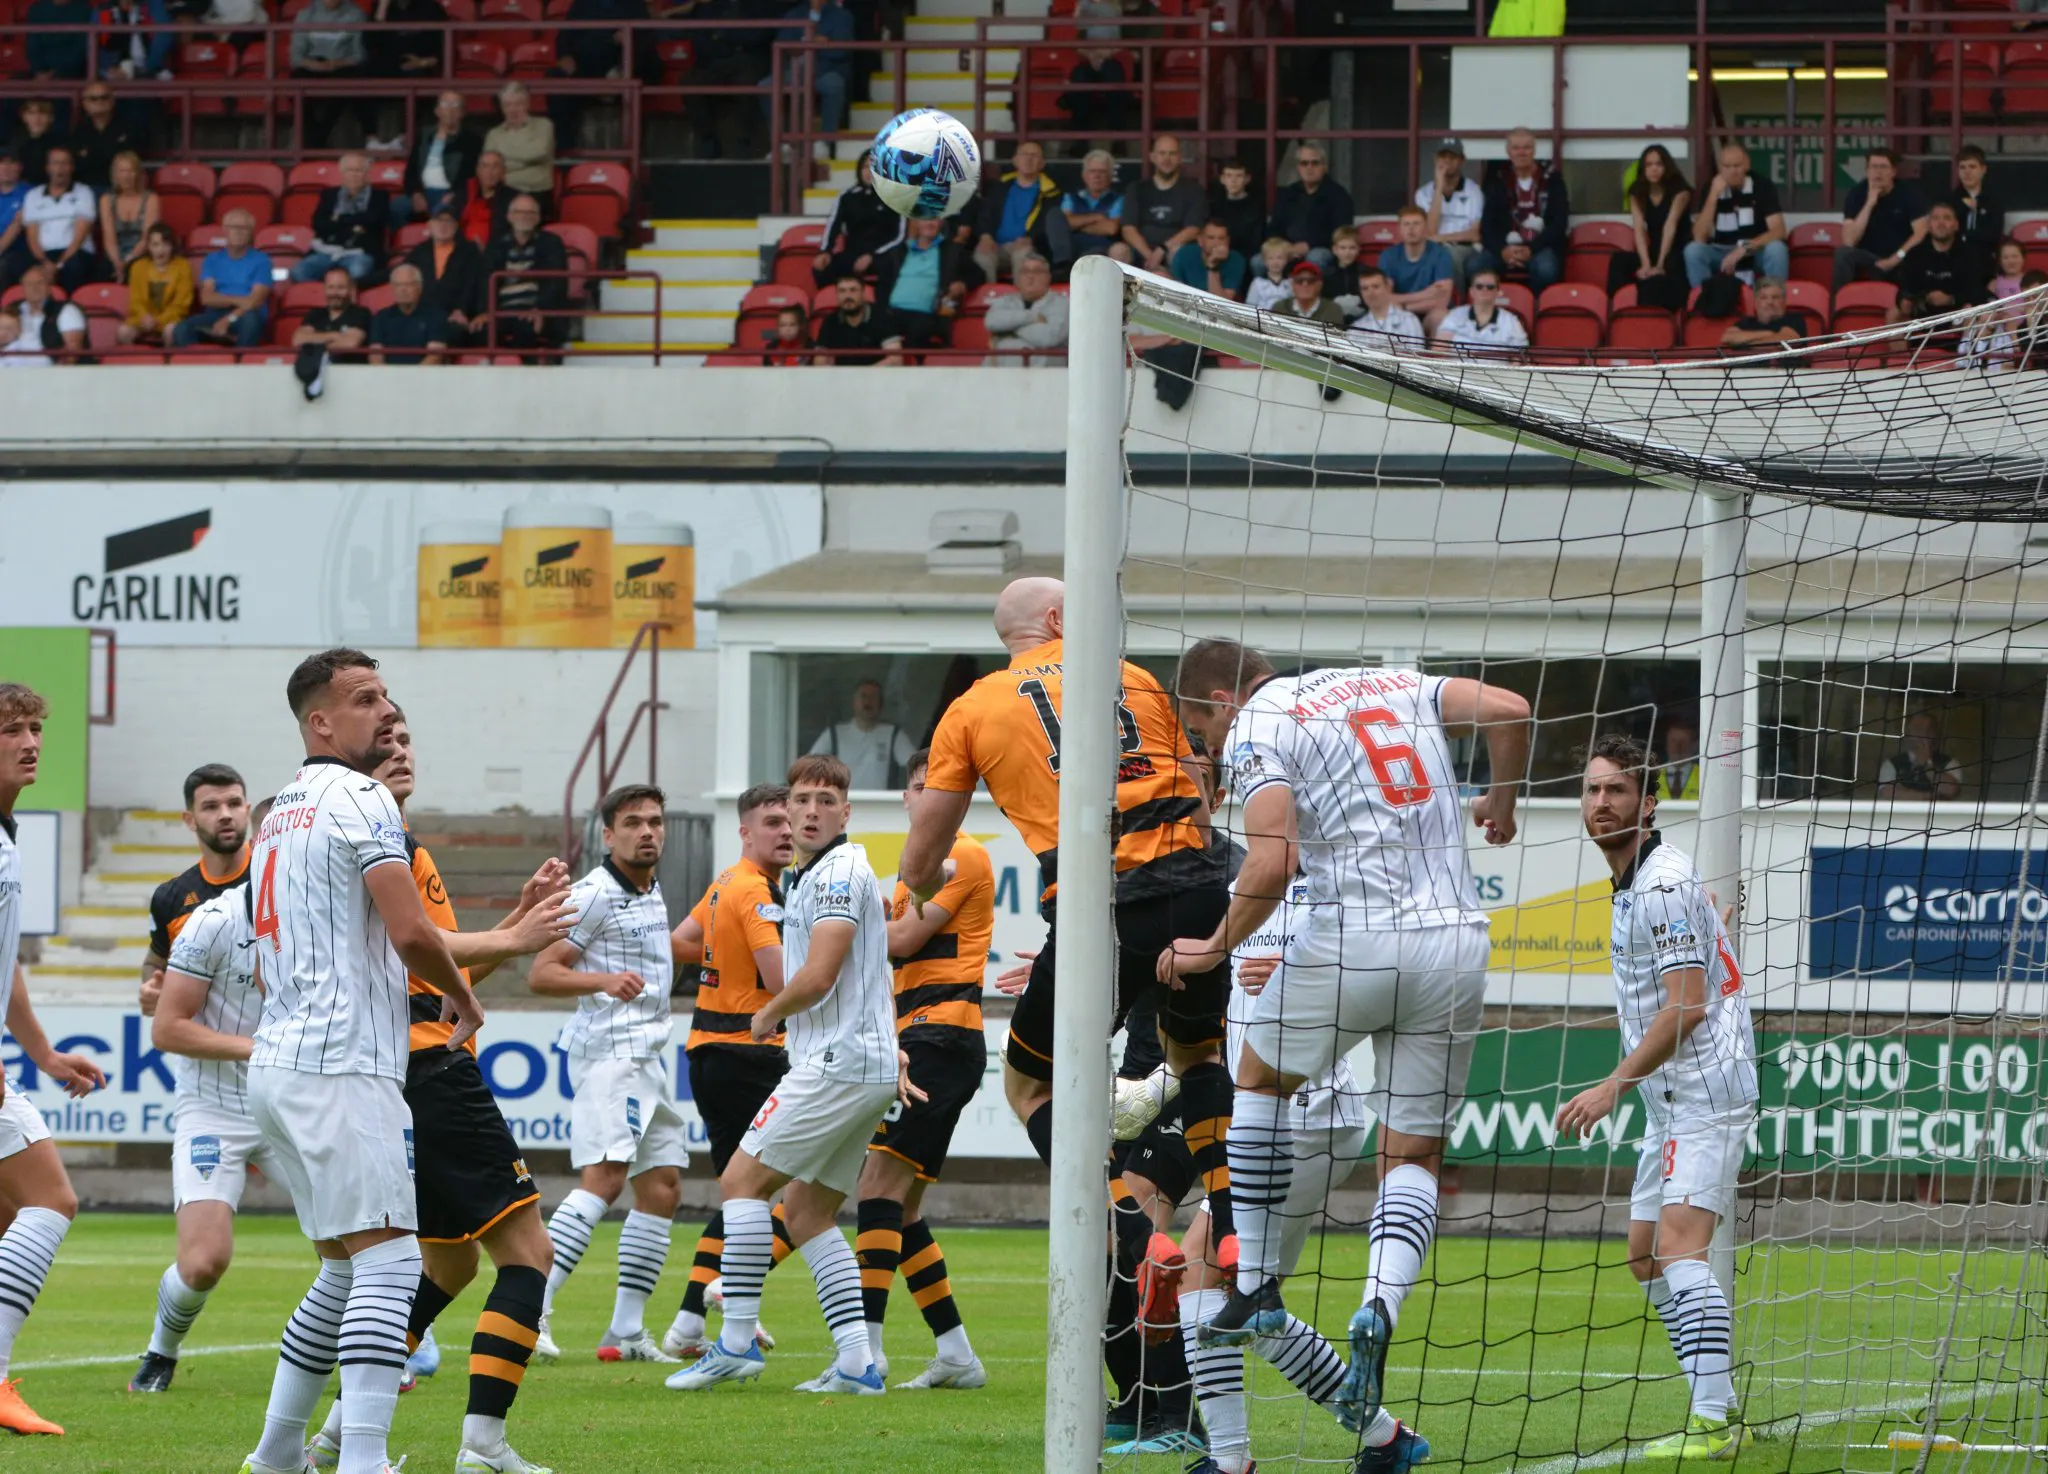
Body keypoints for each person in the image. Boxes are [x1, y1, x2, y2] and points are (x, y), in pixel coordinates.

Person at [1159, 640, 1528, 1451]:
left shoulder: (1262, 723)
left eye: (1201, 730)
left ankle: (1256, 1288)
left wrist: (1213, 948)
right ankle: (1380, 1309)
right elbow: (1512, 710)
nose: (1210, 751)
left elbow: (1275, 859)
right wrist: (1500, 804)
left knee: (1257, 1082)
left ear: (1220, 700)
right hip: (1456, 941)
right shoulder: (1390, 683)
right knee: (1413, 1156)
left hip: (1356, 936)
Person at [898, 578, 1239, 1258]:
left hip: (1101, 909)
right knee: (1197, 1054)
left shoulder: (972, 708)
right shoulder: (1132, 675)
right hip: (1197, 886)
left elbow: (923, 855)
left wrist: (924, 880)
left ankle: (1134, 1230)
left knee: (1030, 1084)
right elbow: (1199, 797)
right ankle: (1229, 1227)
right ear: (1057, 619)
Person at [301, 713, 574, 1474]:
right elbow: (425, 959)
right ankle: (483, 1443)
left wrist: (516, 921)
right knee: (529, 1255)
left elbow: (441, 971)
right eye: (381, 740)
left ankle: (332, 1436)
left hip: (383, 1075)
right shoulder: (387, 848)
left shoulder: (365, 848)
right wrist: (517, 936)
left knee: (446, 1267)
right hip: (431, 1072)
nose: (398, 751)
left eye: (404, 739)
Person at [235, 648, 483, 1474]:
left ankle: (277, 1453)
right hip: (342, 1061)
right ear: (320, 721)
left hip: (280, 1061)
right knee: (391, 1262)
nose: (387, 710)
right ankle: (364, 1459)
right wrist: (465, 995)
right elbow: (412, 931)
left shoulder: (278, 813)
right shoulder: (363, 796)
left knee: (344, 1270)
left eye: (385, 696)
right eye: (365, 699)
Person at [1162, 872, 1427, 1474]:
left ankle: (1230, 1460)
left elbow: (1383, 978)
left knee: (1204, 1269)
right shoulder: (1238, 889)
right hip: (1264, 1120)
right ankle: (1387, 1439)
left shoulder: (1339, 883)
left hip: (1310, 1114)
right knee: (1245, 1303)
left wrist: (1297, 975)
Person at [665, 755, 914, 1397]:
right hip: (859, 1062)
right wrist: (890, 1047)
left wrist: (767, 1012)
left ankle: (735, 1343)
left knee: (740, 1181)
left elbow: (821, 973)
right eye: (800, 800)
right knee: (805, 1210)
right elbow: (868, 972)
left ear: (845, 812)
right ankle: (857, 1364)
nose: (809, 811)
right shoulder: (812, 875)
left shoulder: (835, 873)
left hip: (836, 1061)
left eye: (825, 801)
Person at [1559, 733, 1757, 1463]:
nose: (1600, 802)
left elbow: (1688, 1006)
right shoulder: (1641, 882)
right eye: (1592, 789)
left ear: (1649, 803)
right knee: (1645, 1257)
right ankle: (1719, 1400)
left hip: (1706, 1089)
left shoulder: (1662, 884)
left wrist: (1613, 1084)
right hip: (1672, 1098)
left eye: (1616, 789)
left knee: (1678, 1249)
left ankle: (1711, 1420)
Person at [528, 785, 690, 1364]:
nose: (647, 832)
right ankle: (529, 1312)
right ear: (607, 834)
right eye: (633, 823)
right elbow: (542, 972)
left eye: (655, 821)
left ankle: (625, 1330)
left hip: (647, 1056)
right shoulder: (593, 893)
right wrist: (602, 980)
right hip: (610, 1056)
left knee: (663, 1187)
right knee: (604, 1178)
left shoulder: (650, 888)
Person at [851, 748, 990, 1391]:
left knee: (876, 1187)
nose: (924, 797)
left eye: (937, 787)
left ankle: (864, 1354)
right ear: (906, 798)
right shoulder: (915, 873)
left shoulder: (964, 855)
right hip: (922, 1037)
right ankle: (957, 1355)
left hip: (940, 1036)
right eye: (916, 787)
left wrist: (840, 922)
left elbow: (901, 941)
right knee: (899, 1206)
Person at [131, 795, 274, 1395]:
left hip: (296, 1104)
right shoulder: (211, 918)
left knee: (358, 1240)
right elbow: (167, 1028)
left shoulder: (334, 919)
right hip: (215, 1104)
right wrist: (258, 1050)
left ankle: (387, 1347)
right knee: (202, 1263)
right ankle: (162, 1350)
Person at [0, 682, 108, 1436]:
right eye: (12, 729)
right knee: (51, 1200)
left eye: (35, 727)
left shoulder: (9, 837)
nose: (31, 742)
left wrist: (40, 1051)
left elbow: (3, 961)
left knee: (10, 1213)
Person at [659, 784, 797, 1360]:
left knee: (742, 1192)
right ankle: (729, 1295)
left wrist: (727, 953)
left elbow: (680, 943)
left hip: (710, 1053)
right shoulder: (757, 893)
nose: (786, 830)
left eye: (789, 821)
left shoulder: (725, 883)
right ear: (745, 832)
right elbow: (782, 982)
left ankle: (689, 1324)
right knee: (805, 1189)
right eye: (772, 822)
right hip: (749, 1055)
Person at [138, 763, 252, 998]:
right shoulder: (170, 897)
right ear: (190, 820)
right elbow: (155, 963)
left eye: (234, 804)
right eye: (211, 807)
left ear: (247, 810)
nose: (226, 815)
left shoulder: (278, 876)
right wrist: (153, 988)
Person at [1476, 126, 1568, 293]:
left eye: (1527, 147)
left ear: (1534, 150)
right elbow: (1488, 226)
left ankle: (1536, 306)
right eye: (1516, 148)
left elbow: (1559, 223)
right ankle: (1491, 305)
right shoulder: (1497, 180)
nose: (1521, 153)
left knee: (1546, 269)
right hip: (1504, 246)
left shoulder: (1553, 179)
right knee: (1475, 265)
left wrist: (1531, 249)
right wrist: (1503, 251)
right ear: (1508, 151)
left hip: (1540, 247)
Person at [1683, 142, 1786, 293]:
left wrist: (1743, 249)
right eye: (1727, 166)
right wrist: (1713, 195)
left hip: (1753, 250)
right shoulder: (1711, 187)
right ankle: (1703, 300)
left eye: (1737, 166)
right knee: (1693, 251)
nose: (1732, 171)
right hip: (1721, 251)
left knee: (1777, 249)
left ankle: (1774, 300)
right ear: (1720, 167)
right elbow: (1699, 237)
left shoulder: (1762, 185)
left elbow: (1779, 231)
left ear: (1747, 165)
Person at [549, 0, 650, 151]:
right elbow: (564, 36)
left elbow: (646, 42)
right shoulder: (582, 4)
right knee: (555, 78)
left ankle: (634, 154)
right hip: (585, 66)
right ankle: (564, 150)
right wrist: (565, 56)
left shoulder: (635, 5)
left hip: (621, 68)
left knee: (638, 79)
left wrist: (622, 69)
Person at [171, 209, 272, 348]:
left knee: (251, 321)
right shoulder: (212, 259)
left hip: (245, 315)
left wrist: (228, 319)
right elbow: (206, 298)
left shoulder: (262, 260)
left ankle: (240, 361)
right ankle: (196, 361)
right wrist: (238, 300)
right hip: (216, 314)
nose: (238, 232)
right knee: (181, 328)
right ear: (225, 230)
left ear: (251, 232)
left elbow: (255, 301)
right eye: (233, 227)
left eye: (244, 228)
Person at [1834, 148, 1929, 290]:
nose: (1878, 172)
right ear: (1867, 171)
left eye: (1883, 167)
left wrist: (1894, 259)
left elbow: (1920, 233)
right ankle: (1840, 301)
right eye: (1874, 167)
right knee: (1843, 254)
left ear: (1893, 171)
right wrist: (1870, 203)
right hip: (1869, 256)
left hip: (1901, 255)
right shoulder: (1856, 193)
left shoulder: (1909, 192)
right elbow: (1849, 241)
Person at [973, 139, 1067, 282]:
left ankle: (1022, 296)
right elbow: (985, 215)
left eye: (1034, 155)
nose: (1028, 159)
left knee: (1023, 255)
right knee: (982, 255)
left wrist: (1031, 239)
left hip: (1029, 246)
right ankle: (988, 296)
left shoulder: (1051, 193)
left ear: (1042, 163)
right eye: (1024, 154)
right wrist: (985, 236)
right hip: (996, 245)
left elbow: (1050, 225)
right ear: (1015, 161)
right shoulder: (1000, 187)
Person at [485, 193, 568, 352]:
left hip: (534, 310)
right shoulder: (496, 244)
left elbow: (556, 283)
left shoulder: (551, 242)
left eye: (531, 212)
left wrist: (540, 309)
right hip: (501, 311)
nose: (525, 216)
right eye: (519, 212)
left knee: (525, 329)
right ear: (509, 216)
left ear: (538, 218)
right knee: (476, 330)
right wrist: (486, 310)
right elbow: (485, 280)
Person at [761, 0, 853, 142]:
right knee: (766, 86)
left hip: (826, 71)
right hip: (796, 71)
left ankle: (826, 142)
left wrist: (816, 46)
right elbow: (783, 45)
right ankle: (781, 142)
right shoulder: (794, 14)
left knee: (834, 85)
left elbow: (841, 51)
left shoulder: (841, 15)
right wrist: (809, 43)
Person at [873, 215, 967, 354]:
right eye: (925, 219)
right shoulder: (899, 251)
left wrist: (961, 284)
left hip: (927, 315)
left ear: (941, 222)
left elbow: (977, 273)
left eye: (934, 219)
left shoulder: (952, 250)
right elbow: (882, 284)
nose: (929, 223)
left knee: (918, 331)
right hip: (893, 312)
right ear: (916, 223)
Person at [293, 151, 391, 285]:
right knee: (298, 272)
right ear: (342, 173)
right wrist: (355, 223)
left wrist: (337, 219)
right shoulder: (329, 194)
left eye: (358, 171)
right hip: (325, 251)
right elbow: (318, 224)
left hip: (361, 253)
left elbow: (374, 221)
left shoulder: (380, 196)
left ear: (367, 174)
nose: (354, 175)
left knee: (358, 273)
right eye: (350, 170)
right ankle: (323, 296)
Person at [1612, 144, 1691, 305]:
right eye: (1649, 165)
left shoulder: (1680, 191)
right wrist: (1646, 264)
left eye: (1658, 164)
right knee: (1619, 260)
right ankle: (1620, 306)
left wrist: (1660, 265)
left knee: (1672, 262)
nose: (1654, 169)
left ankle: (1673, 310)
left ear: (1667, 166)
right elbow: (1639, 227)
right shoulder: (1637, 191)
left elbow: (1670, 226)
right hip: (1652, 248)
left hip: (1675, 249)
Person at [291, 0, 374, 149]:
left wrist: (335, 64)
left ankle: (318, 140)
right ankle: (315, 140)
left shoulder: (356, 15)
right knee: (295, 84)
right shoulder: (305, 15)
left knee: (345, 84)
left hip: (341, 66)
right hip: (312, 65)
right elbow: (296, 57)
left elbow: (359, 56)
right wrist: (315, 65)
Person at [813, 149, 903, 286]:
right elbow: (832, 227)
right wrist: (825, 252)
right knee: (821, 267)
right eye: (865, 167)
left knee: (891, 265)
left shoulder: (895, 197)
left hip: (882, 254)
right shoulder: (846, 196)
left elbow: (899, 236)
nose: (869, 171)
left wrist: (872, 256)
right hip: (852, 254)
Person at [1120, 134, 1207, 275]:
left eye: (1172, 154)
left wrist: (1162, 249)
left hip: (1174, 251)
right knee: (1118, 251)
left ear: (1180, 158)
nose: (1167, 159)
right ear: (1152, 157)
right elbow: (1128, 229)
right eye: (1162, 153)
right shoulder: (1136, 188)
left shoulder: (1194, 190)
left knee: (1179, 252)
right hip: (1141, 251)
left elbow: (1193, 229)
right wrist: (1150, 256)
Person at [808, 678, 916, 789]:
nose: (868, 701)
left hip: (881, 800)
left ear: (881, 704)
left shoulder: (893, 735)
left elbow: (918, 767)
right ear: (854, 702)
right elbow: (808, 767)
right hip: (843, 799)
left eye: (874, 697)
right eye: (864, 696)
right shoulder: (834, 734)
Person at [21, 146, 101, 294]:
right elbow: (32, 237)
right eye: (55, 163)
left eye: (65, 163)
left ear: (72, 167)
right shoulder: (33, 195)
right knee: (15, 265)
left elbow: (79, 237)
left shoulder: (84, 192)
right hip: (43, 253)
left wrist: (59, 264)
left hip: (74, 252)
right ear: (47, 167)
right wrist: (45, 262)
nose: (60, 168)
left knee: (74, 267)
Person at [1890, 201, 1984, 323]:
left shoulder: (1969, 254)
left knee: (1971, 312)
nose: (1941, 223)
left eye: (1947, 218)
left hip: (1956, 313)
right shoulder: (1915, 254)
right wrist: (1903, 301)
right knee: (1893, 313)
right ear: (1929, 225)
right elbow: (1904, 287)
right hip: (1922, 314)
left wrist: (1950, 299)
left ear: (1956, 225)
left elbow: (1976, 291)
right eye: (1935, 218)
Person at [407, 202, 488, 342]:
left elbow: (474, 283)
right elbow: (396, 272)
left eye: (449, 221)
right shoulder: (419, 252)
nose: (443, 226)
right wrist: (364, 280)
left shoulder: (469, 251)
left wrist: (462, 310)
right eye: (439, 220)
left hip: (456, 317)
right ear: (429, 225)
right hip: (424, 315)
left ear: (456, 226)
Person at [1266, 141, 1352, 271]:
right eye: (1304, 163)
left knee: (1315, 257)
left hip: (1321, 249)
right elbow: (1275, 226)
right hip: (1287, 249)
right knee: (1258, 261)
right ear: (1298, 167)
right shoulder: (1289, 193)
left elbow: (1340, 232)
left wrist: (1309, 245)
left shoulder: (1338, 195)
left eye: (1315, 163)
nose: (1309, 168)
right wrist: (1284, 247)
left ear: (1324, 166)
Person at [1416, 137, 1484, 288]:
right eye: (1443, 157)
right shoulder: (1423, 193)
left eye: (1452, 157)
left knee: (1448, 256)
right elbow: (1429, 231)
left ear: (1462, 160)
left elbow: (1474, 234)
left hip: (1464, 247)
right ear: (1435, 159)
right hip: (1432, 247)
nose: (1447, 161)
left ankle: (1456, 299)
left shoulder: (1473, 190)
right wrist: (1439, 188)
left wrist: (1441, 238)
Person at [1377, 204, 1455, 335]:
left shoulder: (1441, 254)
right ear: (1399, 229)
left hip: (1426, 313)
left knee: (1441, 317)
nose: (1411, 229)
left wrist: (1405, 306)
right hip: (1399, 314)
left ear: (1426, 227)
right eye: (1406, 224)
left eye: (1416, 224)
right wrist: (1426, 294)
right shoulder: (1388, 256)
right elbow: (1384, 297)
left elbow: (1441, 301)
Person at [484, 82, 556, 217]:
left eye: (518, 104)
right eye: (508, 105)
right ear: (502, 107)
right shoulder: (494, 134)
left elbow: (539, 152)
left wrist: (505, 163)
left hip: (537, 192)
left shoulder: (544, 125)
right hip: (505, 193)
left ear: (527, 104)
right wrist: (526, 162)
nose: (513, 109)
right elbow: (490, 167)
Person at [405, 92, 477, 222]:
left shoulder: (471, 140)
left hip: (451, 194)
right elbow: (411, 170)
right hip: (423, 192)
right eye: (445, 104)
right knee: (398, 207)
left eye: (455, 105)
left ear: (462, 112)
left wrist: (455, 194)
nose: (450, 109)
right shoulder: (424, 135)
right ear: (437, 110)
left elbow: (470, 175)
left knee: (446, 211)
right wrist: (415, 193)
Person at [983, 251, 1067, 363]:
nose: (1030, 276)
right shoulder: (1006, 300)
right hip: (1002, 369)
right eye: (1025, 271)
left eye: (1036, 271)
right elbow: (991, 322)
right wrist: (1031, 317)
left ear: (1048, 277)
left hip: (1046, 369)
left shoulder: (1062, 304)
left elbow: (1050, 337)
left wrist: (1008, 330)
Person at [120, 221, 195, 345]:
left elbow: (181, 304)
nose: (160, 250)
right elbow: (135, 300)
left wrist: (158, 321)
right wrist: (144, 316)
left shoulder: (183, 266)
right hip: (142, 319)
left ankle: (169, 357)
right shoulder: (138, 267)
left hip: (171, 319)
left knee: (170, 331)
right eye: (155, 245)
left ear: (172, 246)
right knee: (123, 331)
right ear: (148, 246)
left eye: (165, 244)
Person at [1433, 268, 1528, 358]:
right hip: (1456, 369)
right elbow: (1439, 351)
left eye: (1490, 287)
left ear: (1498, 292)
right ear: (1471, 291)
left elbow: (1520, 358)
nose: (1484, 290)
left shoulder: (1511, 321)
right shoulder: (1455, 316)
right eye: (1479, 287)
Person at [69, 82, 146, 191]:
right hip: (86, 190)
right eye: (93, 99)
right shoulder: (78, 131)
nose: (99, 102)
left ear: (112, 101)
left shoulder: (129, 128)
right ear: (84, 103)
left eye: (104, 97)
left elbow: (133, 162)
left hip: (121, 190)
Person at [368, 262, 450, 364]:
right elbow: (375, 355)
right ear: (392, 288)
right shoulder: (381, 317)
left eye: (408, 284)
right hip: (388, 373)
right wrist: (385, 374)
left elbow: (435, 356)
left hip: (422, 373)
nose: (403, 290)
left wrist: (413, 374)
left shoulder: (436, 315)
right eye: (398, 285)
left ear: (420, 287)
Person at [10, 262, 87, 363]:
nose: (34, 288)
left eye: (40, 283)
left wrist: (54, 372)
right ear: (22, 288)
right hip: (9, 368)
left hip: (48, 369)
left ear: (50, 287)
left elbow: (72, 353)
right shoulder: (12, 310)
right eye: (29, 284)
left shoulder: (67, 310)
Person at [97, 150, 157, 279]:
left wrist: (128, 261)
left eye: (131, 171)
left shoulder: (151, 199)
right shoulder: (106, 200)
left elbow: (146, 238)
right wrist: (117, 262)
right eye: (122, 171)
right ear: (115, 175)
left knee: (138, 269)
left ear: (138, 174)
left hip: (141, 253)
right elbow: (109, 239)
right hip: (114, 255)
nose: (126, 176)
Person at [1878, 712, 1963, 801]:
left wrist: (1927, 765)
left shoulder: (1949, 763)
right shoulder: (1892, 764)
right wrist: (1927, 796)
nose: (1921, 735)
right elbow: (1887, 792)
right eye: (1917, 729)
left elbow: (1951, 790)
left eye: (1927, 730)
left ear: (1934, 734)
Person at [1063, 149, 1129, 264]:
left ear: (1110, 176)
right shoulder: (1070, 198)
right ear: (1084, 175)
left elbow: (1110, 228)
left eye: (1102, 172)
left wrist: (1077, 225)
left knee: (1120, 249)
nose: (1097, 176)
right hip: (1072, 250)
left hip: (1104, 252)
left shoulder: (1118, 200)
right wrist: (1097, 217)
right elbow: (1064, 223)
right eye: (1092, 171)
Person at [813, 274, 894, 366]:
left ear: (863, 293)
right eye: (842, 291)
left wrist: (864, 373)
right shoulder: (830, 321)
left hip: (876, 374)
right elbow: (819, 360)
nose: (848, 296)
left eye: (853, 290)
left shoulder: (883, 317)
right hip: (842, 375)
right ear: (837, 295)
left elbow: (895, 360)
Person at [292, 265, 372, 355]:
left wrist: (313, 342)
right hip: (314, 364)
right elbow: (298, 340)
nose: (335, 293)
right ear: (324, 289)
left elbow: (350, 343)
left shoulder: (360, 313)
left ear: (351, 290)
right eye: (331, 287)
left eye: (341, 287)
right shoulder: (315, 314)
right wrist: (335, 336)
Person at [1946, 143, 2003, 267]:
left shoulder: (1994, 200)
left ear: (1983, 169)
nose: (1967, 172)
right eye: (1962, 167)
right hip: (1953, 262)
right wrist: (1963, 208)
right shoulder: (1948, 200)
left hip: (1986, 262)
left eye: (1972, 167)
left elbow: (1993, 234)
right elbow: (1945, 234)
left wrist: (1965, 235)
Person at [1719, 276, 1809, 353]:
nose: (1770, 302)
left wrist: (1743, 342)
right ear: (1755, 303)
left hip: (1786, 367)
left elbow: (1785, 342)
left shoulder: (1793, 319)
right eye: (1763, 298)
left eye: (1775, 297)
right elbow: (1727, 337)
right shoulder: (1746, 322)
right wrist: (1768, 333)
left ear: (1784, 301)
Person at [1347, 266, 1423, 353]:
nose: (1370, 293)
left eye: (1375, 286)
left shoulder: (1409, 320)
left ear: (1388, 287)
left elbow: (1418, 355)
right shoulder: (1356, 328)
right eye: (1365, 288)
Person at [1170, 218, 1247, 300]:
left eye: (1221, 238)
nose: (1216, 243)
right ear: (1200, 240)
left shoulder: (1236, 260)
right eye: (1211, 238)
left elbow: (1222, 302)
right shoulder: (1185, 253)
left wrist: (1213, 266)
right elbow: (1173, 287)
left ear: (1228, 241)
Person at [1209, 157, 1262, 262]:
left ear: (1247, 179)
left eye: (1238, 176)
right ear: (1222, 179)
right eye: (1229, 176)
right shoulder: (1215, 206)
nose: (1233, 181)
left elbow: (1256, 241)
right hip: (1216, 254)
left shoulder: (1255, 206)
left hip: (1245, 257)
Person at [459, 151, 516, 249]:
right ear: (478, 170)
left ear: (503, 171)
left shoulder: (514, 199)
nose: (489, 172)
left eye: (495, 167)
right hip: (462, 250)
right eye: (485, 166)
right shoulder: (465, 193)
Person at [1271, 259, 1344, 327]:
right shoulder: (1280, 308)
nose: (1305, 284)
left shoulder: (1333, 310)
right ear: (1292, 285)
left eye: (1311, 280)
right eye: (1299, 280)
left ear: (1319, 285)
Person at [7, 99, 61, 188]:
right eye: (31, 113)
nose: (37, 118)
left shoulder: (59, 144)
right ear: (24, 117)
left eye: (43, 113)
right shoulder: (14, 143)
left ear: (51, 118)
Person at [0, 153, 28, 293]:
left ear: (20, 167)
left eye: (11, 162)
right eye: (2, 163)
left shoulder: (29, 193)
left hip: (17, 252)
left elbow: (16, 226)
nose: (6, 167)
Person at [1658, 718, 1700, 800]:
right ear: (1666, 744)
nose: (1678, 747)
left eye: (1684, 741)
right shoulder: (1653, 775)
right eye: (1673, 741)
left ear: (1693, 746)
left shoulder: (1703, 775)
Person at [1246, 237, 1291, 312]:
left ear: (1286, 260)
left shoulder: (1290, 283)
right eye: (1271, 258)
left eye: (1279, 258)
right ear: (1264, 261)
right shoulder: (1257, 283)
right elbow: (1249, 307)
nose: (1275, 262)